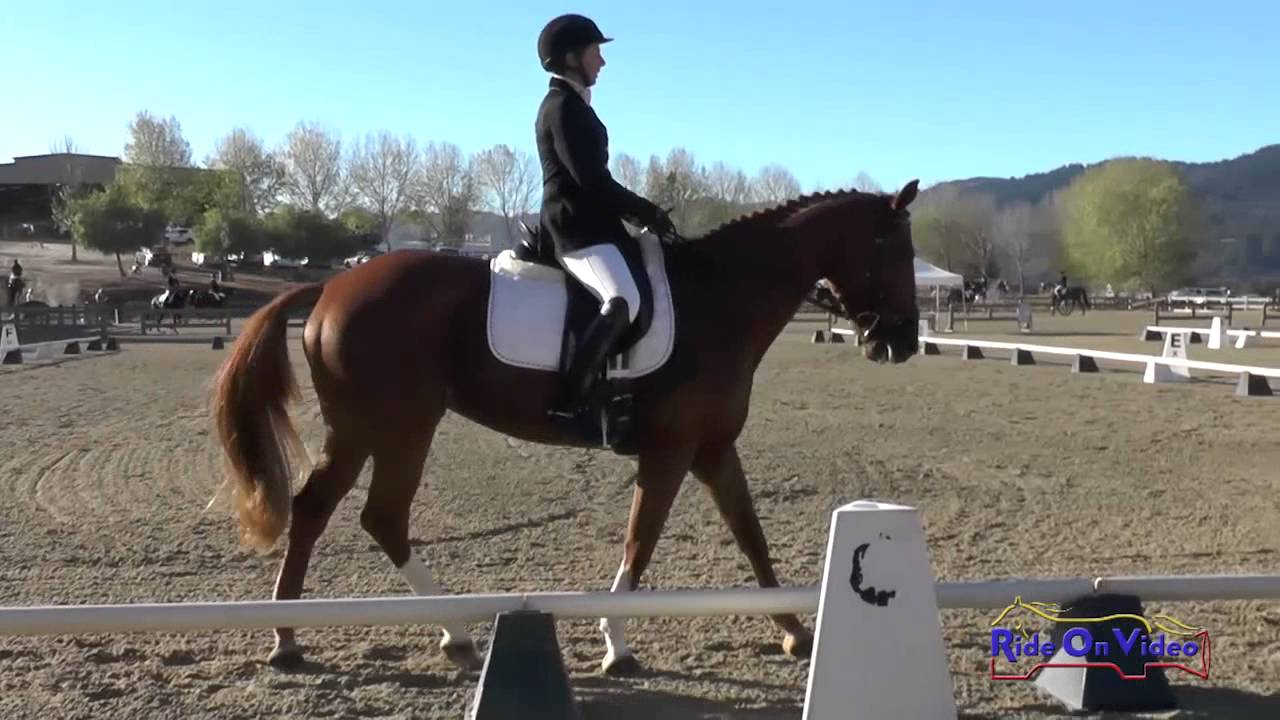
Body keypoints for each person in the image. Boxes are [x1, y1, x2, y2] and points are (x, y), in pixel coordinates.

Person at [534, 13, 680, 420]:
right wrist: (644, 210)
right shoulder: (562, 108)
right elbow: (591, 182)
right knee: (621, 299)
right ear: (570, 58)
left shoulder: (576, 106)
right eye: (595, 52)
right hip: (576, 232)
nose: (602, 61)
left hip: (596, 227)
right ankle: (570, 400)